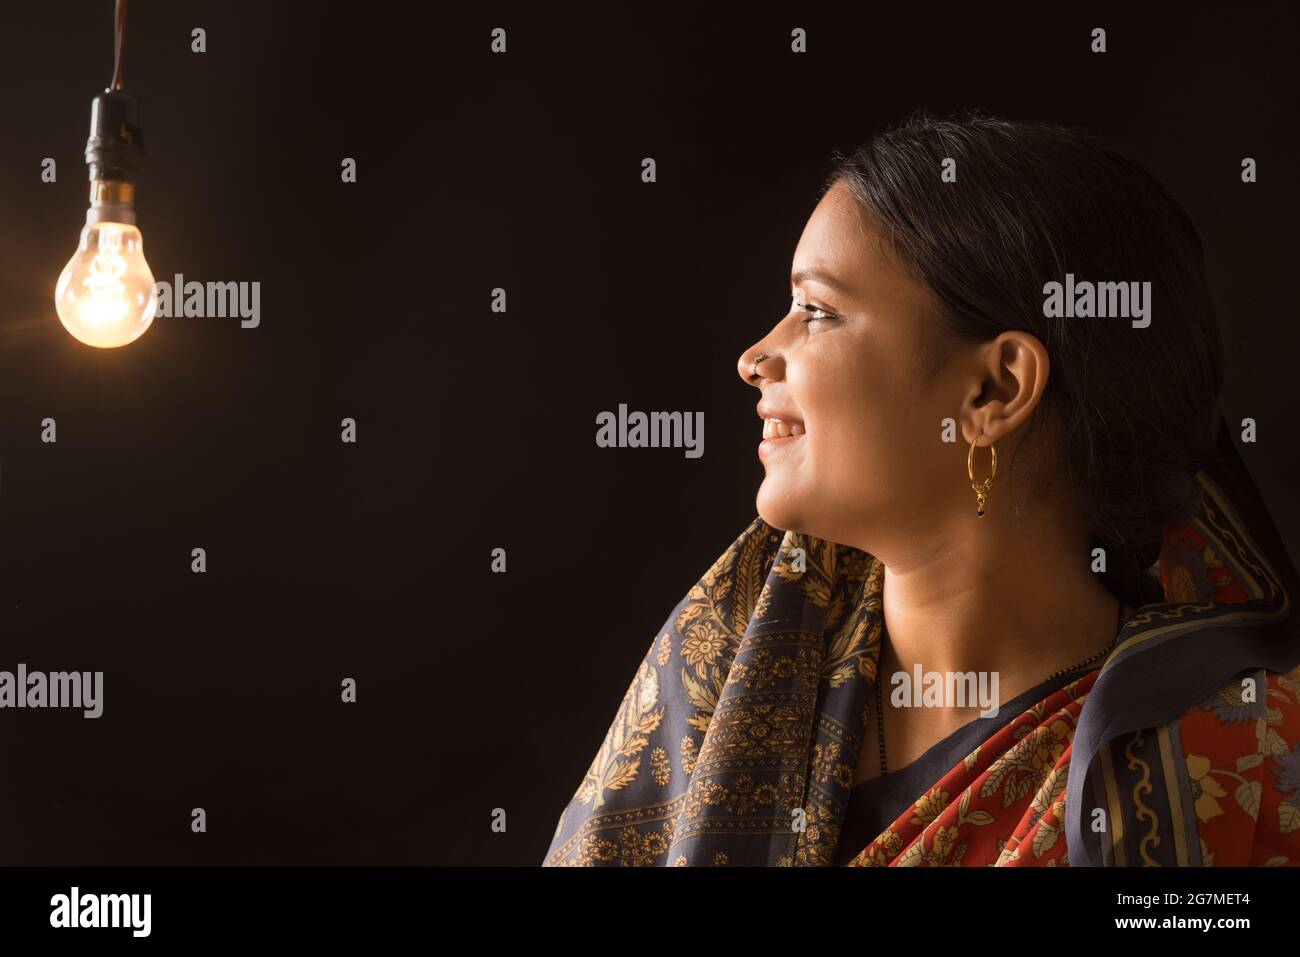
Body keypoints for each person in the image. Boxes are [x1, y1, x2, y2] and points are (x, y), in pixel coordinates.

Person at [543, 109, 1300, 866]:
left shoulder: (1235, 764)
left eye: (818, 311)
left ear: (993, 390)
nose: (755, 356)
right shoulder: (733, 652)